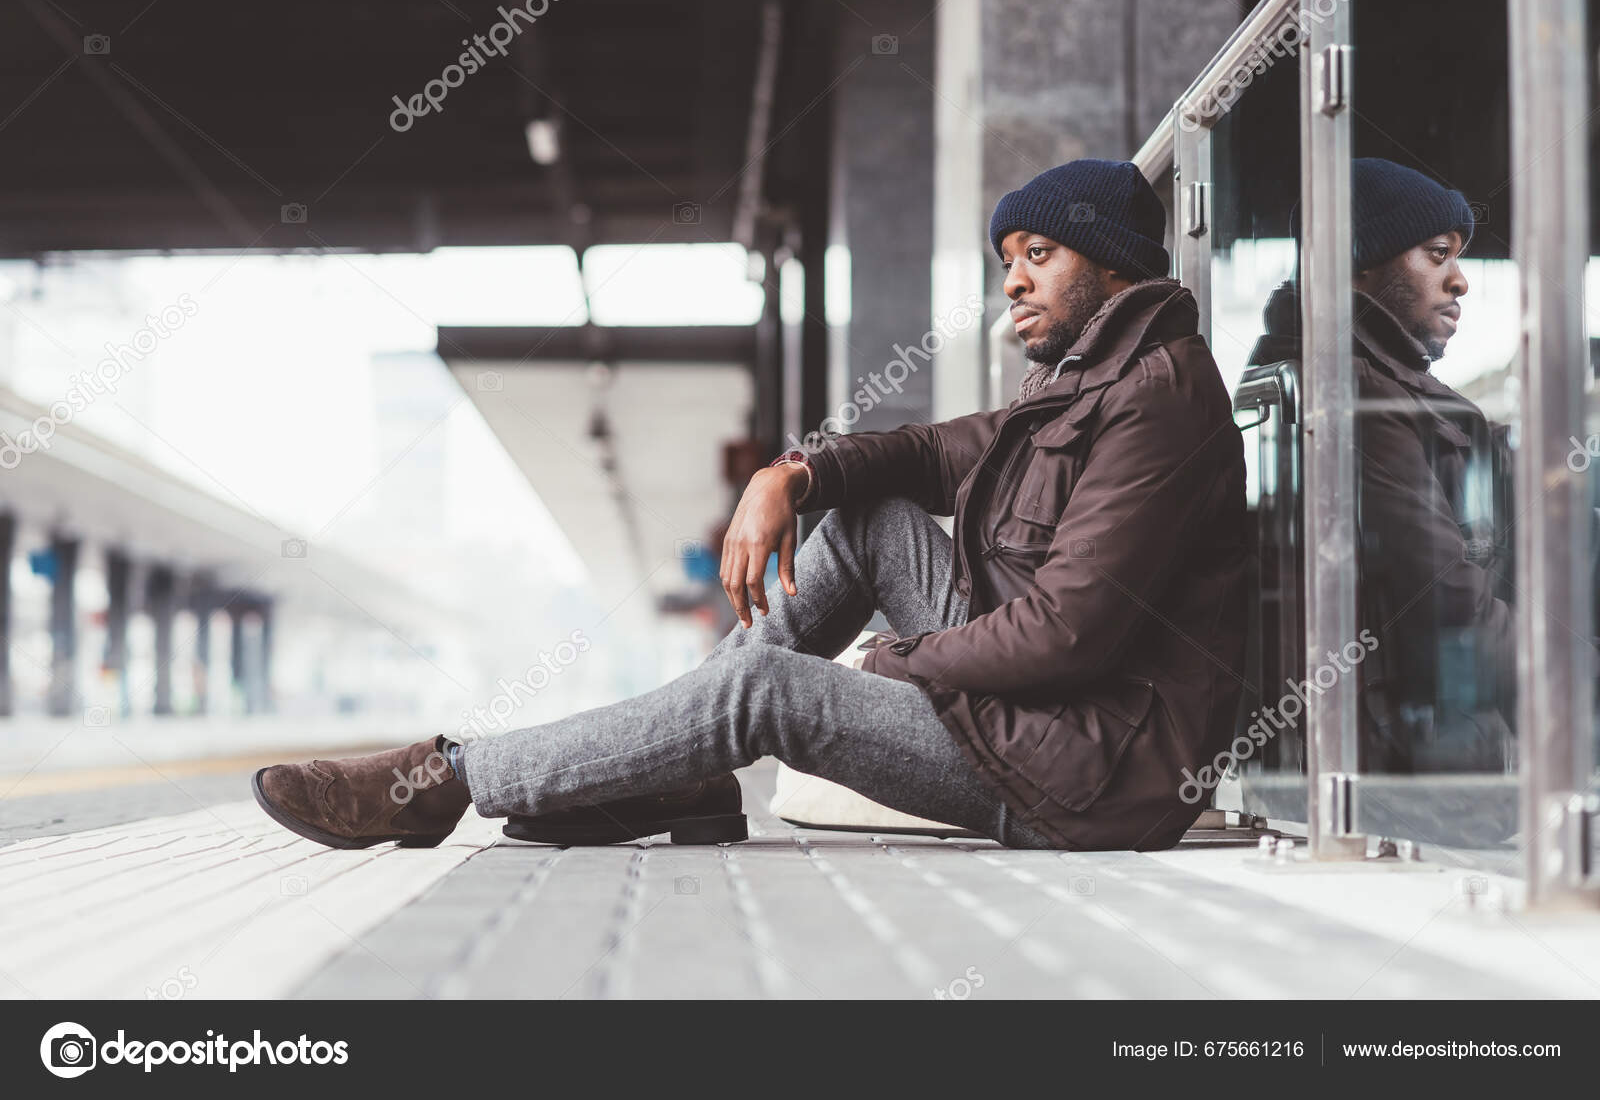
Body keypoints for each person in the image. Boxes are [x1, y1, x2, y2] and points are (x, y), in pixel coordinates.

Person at [252, 159, 1249, 853]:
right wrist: (788, 475)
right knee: (861, 520)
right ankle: (675, 772)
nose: (1014, 283)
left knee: (761, 689)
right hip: (1040, 710)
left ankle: (445, 779)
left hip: (1081, 772)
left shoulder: (1158, 397)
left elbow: (1070, 633)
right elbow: (926, 452)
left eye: (1039, 255)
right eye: (1006, 263)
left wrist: (897, 660)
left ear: (1113, 262)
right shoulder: (1087, 380)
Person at [1249, 158, 1513, 770]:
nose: (1460, 281)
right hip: (1400, 771)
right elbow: (1449, 608)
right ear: (1361, 262)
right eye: (1438, 253)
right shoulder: (1356, 394)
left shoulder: (1389, 388)